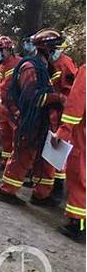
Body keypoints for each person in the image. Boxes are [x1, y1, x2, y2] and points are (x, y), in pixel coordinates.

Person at [0, 29, 67, 205]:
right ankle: (7, 192)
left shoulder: (44, 67)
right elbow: (33, 97)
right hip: (31, 120)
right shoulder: (30, 67)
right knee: (23, 155)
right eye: (56, 49)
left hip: (44, 121)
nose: (58, 52)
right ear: (46, 49)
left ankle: (41, 195)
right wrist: (57, 98)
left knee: (46, 160)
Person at [52, 64, 85, 242]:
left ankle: (77, 225)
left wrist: (63, 131)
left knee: (79, 174)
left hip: (83, 133)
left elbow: (76, 103)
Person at [45, 38, 79, 205]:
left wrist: (64, 128)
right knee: (55, 150)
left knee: (60, 150)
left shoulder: (65, 64)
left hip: (64, 112)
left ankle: (57, 190)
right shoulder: (55, 62)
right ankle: (52, 186)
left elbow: (71, 94)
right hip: (57, 111)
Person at [0, 36, 22, 164]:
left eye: (0, 51)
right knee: (5, 134)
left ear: (9, 50)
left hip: (15, 107)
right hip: (3, 106)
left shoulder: (20, 64)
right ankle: (5, 162)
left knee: (17, 136)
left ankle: (16, 164)